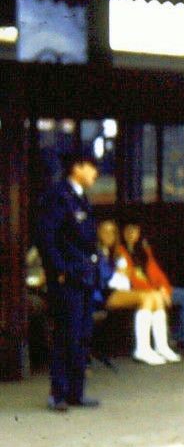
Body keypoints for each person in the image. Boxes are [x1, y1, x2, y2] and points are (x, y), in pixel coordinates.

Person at [35, 153, 103, 410]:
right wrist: (58, 270)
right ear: (77, 167)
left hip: (84, 275)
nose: (95, 173)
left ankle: (76, 392)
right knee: (67, 335)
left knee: (82, 335)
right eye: (91, 167)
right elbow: (46, 237)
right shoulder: (58, 196)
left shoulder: (80, 197)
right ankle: (58, 394)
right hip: (68, 278)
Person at [97, 219, 181, 365]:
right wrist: (115, 273)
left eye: (112, 231)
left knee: (155, 295)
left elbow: (127, 274)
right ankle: (142, 349)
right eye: (105, 231)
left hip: (120, 291)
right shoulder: (95, 251)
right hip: (102, 294)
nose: (109, 234)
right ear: (98, 232)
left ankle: (161, 346)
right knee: (147, 297)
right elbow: (100, 277)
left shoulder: (114, 252)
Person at [120, 221, 184, 353]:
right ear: (123, 233)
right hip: (140, 293)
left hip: (157, 289)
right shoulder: (120, 252)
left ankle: (181, 339)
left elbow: (157, 273)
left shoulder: (144, 250)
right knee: (156, 300)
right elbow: (134, 279)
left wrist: (164, 289)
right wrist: (156, 292)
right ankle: (163, 342)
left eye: (135, 230)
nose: (131, 233)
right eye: (128, 230)